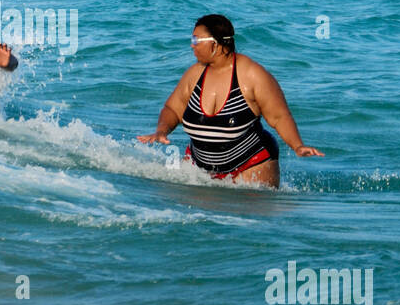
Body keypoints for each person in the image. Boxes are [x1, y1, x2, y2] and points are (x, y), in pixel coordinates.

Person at [137, 14, 323, 187]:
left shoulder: (252, 75)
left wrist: (297, 146)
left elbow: (279, 117)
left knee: (246, 221)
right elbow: (173, 109)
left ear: (215, 44)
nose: (192, 45)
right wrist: (161, 131)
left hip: (252, 163)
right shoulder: (194, 75)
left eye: (195, 40)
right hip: (198, 166)